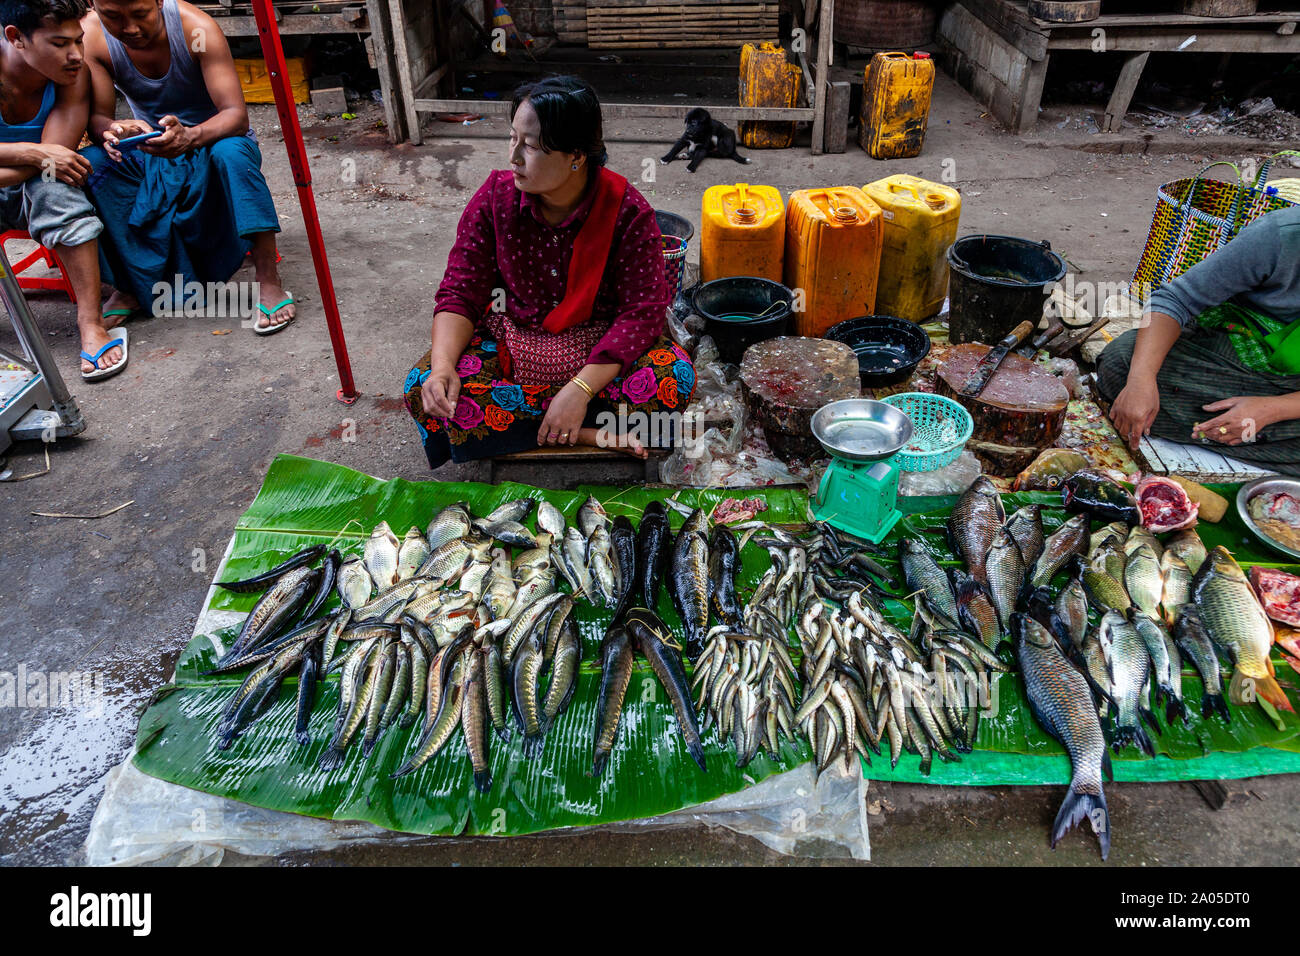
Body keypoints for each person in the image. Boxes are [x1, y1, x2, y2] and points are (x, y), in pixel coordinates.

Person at [403, 75, 696, 469]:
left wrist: (579, 390)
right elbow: (461, 293)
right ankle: (591, 433)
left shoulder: (626, 211)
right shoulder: (495, 201)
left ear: (576, 155)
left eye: (531, 146)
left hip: (599, 355)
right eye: (512, 139)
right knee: (424, 387)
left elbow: (642, 314)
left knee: (673, 377)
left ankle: (531, 425)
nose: (514, 157)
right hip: (518, 346)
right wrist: (441, 368)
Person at [78, 0, 293, 331]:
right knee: (93, 163)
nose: (129, 29)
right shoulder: (91, 35)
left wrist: (191, 136)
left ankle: (268, 277)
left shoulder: (197, 29)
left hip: (211, 142)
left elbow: (235, 116)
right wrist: (114, 129)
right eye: (113, 17)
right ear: (94, 5)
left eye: (140, 15)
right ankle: (130, 286)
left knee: (233, 153)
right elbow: (99, 117)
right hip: (152, 150)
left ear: (159, 1)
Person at [1098, 204, 1300, 477]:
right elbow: (1176, 300)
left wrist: (1272, 410)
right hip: (1240, 356)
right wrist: (1141, 380)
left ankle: (1249, 435)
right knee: (1121, 362)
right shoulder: (1280, 235)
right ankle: (1266, 446)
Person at [0, 0, 127, 380]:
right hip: (21, 174)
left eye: (79, 41)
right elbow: (43, 153)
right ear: (15, 37)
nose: (75, 56)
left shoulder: (74, 75)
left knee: (57, 182)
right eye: (59, 44)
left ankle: (92, 324)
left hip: (32, 188)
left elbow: (58, 157)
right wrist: (30, 151)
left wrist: (38, 158)